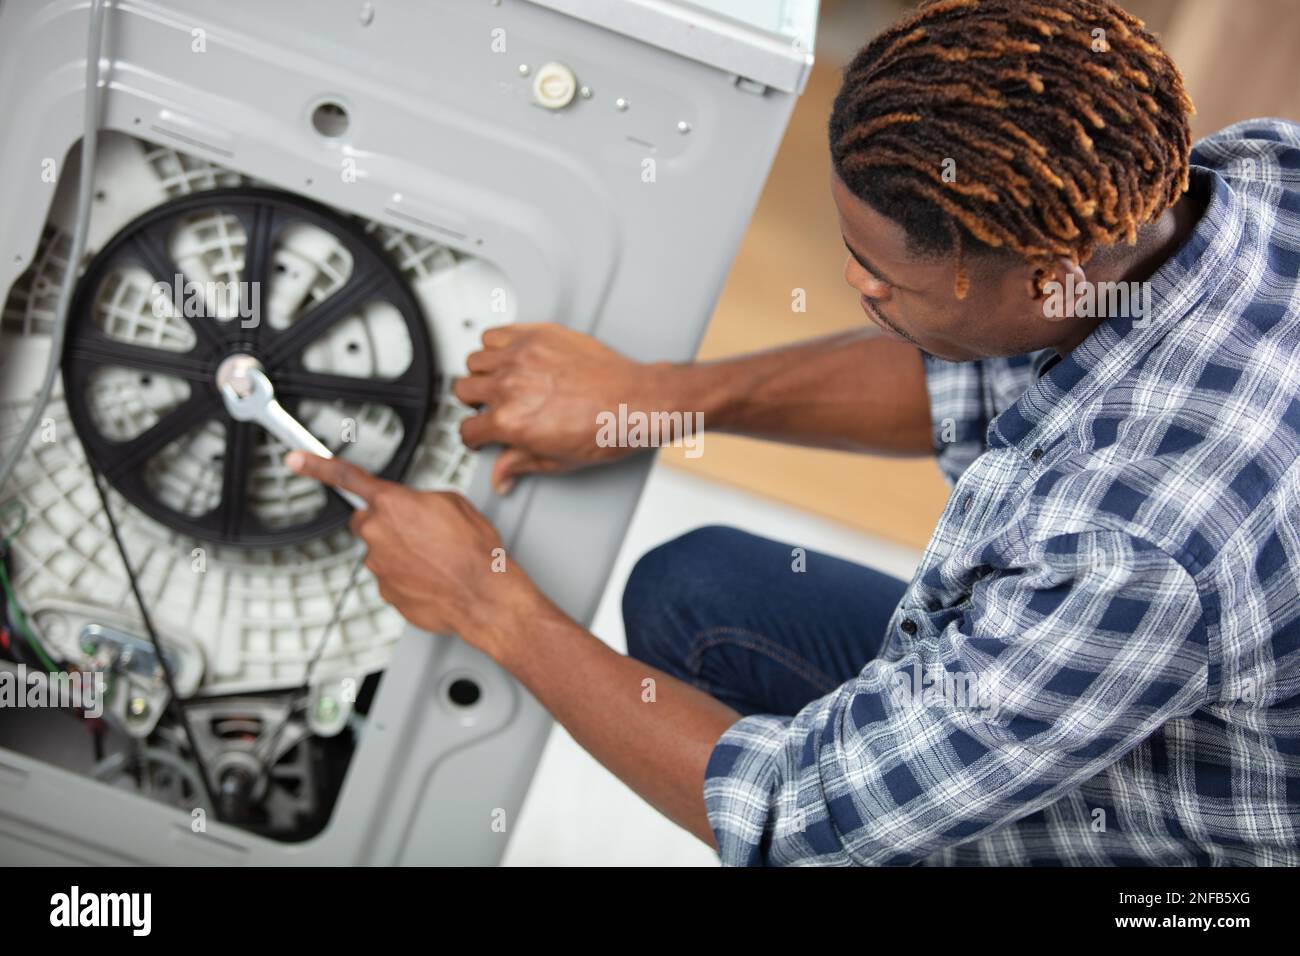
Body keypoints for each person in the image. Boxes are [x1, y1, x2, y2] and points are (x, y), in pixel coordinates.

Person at [287, 0, 1300, 865]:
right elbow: (978, 374)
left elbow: (791, 816)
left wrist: (486, 600)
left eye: (883, 280)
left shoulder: (1135, 547)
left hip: (1190, 873)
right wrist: (655, 394)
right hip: (1148, 699)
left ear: (1047, 274)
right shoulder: (1256, 178)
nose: (853, 289)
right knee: (699, 599)